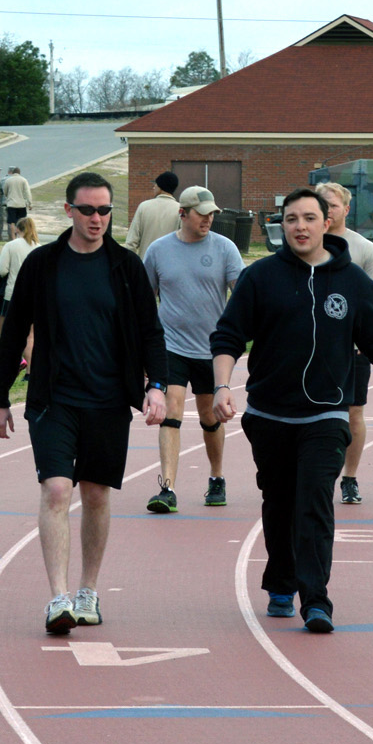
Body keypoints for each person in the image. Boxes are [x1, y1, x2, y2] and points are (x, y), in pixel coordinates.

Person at [211, 187, 373, 632]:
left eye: (309, 218)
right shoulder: (261, 277)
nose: (300, 227)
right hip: (269, 415)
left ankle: (316, 599)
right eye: (291, 219)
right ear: (282, 225)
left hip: (327, 415)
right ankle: (280, 581)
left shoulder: (353, 284)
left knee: (313, 503)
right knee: (279, 502)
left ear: (327, 223)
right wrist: (221, 386)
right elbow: (229, 335)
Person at [0, 173, 168, 636]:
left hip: (108, 400)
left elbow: (151, 332)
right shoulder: (42, 264)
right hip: (53, 397)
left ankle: (88, 589)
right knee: (56, 490)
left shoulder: (126, 268)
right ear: (68, 210)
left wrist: (157, 385)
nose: (97, 219)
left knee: (95, 494)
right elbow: (13, 333)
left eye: (105, 210)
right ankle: (58, 597)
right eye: (88, 210)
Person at [142, 186, 245, 513]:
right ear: (183, 213)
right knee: (170, 411)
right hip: (170, 346)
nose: (209, 219)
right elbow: (145, 303)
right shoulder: (159, 250)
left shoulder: (225, 248)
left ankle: (216, 477)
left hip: (213, 350)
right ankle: (168, 487)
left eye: (212, 213)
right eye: (202, 213)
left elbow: (241, 297)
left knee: (208, 416)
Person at [315, 180, 373, 505]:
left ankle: (350, 477)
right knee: (314, 412)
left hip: (352, 349)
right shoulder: (304, 243)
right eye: (320, 204)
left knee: (353, 412)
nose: (326, 209)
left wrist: (370, 337)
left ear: (346, 209)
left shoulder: (363, 248)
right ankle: (313, 475)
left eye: (332, 204)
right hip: (313, 347)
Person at [0, 216, 37, 323]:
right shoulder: (39, 248)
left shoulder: (10, 246)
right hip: (32, 293)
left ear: (17, 229)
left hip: (12, 291)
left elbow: (2, 270)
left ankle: (5, 339)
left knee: (4, 318)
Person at [127, 170, 182, 251]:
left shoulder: (144, 207)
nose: (154, 187)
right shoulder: (180, 210)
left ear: (160, 187)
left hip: (146, 261)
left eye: (155, 185)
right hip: (170, 262)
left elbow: (131, 243)